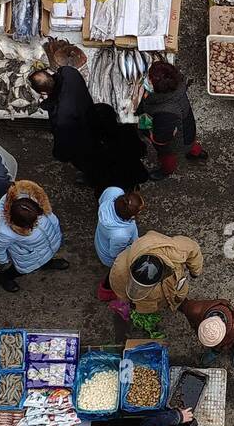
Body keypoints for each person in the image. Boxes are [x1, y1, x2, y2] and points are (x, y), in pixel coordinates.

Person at [109, 231, 204, 338]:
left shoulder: (176, 249)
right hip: (146, 303)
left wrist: (195, 271)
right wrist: (127, 301)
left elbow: (193, 250)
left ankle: (178, 304)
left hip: (174, 287)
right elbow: (119, 289)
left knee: (179, 299)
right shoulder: (119, 269)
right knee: (148, 310)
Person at [0, 180, 67, 293]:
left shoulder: (35, 203)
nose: (38, 221)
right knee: (20, 271)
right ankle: (5, 277)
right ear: (21, 224)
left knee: (47, 257)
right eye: (34, 222)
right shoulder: (6, 233)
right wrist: (4, 260)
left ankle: (47, 262)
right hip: (29, 258)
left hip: (48, 247)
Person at [139, 61, 206, 180]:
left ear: (158, 87)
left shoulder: (166, 112)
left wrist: (145, 130)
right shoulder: (177, 86)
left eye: (149, 79)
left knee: (167, 156)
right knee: (191, 143)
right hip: (187, 127)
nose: (147, 79)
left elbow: (161, 139)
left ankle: (166, 171)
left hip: (174, 140)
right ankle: (197, 153)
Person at [29, 67, 94, 178]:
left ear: (43, 92)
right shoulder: (69, 73)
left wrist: (60, 155)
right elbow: (58, 94)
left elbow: (62, 138)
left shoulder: (61, 116)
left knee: (84, 156)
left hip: (81, 130)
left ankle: (90, 175)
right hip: (89, 112)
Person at [94, 187, 143, 319]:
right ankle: (105, 291)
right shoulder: (120, 234)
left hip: (101, 239)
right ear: (130, 217)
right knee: (115, 272)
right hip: (109, 255)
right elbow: (115, 253)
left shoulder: (113, 192)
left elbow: (100, 199)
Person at [85, 103, 148, 193]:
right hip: (131, 174)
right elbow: (141, 150)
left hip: (108, 182)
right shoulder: (127, 131)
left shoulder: (90, 143)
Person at [181, 298, 234, 369]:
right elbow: (181, 303)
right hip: (219, 343)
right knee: (217, 347)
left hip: (233, 340)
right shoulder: (194, 309)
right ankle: (215, 351)